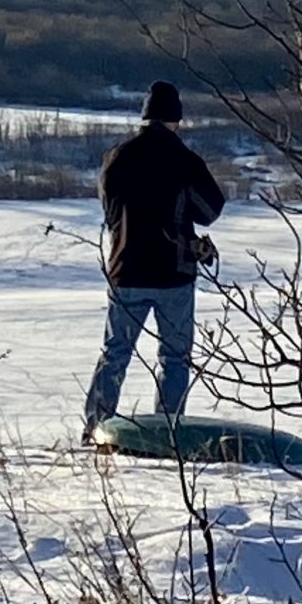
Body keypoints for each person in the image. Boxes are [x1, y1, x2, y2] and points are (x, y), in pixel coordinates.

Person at [82, 81, 225, 441]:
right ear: (175, 118)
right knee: (175, 359)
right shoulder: (184, 160)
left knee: (114, 355)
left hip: (125, 268)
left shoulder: (116, 157)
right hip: (173, 273)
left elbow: (109, 210)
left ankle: (95, 428)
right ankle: (166, 435)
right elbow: (210, 210)